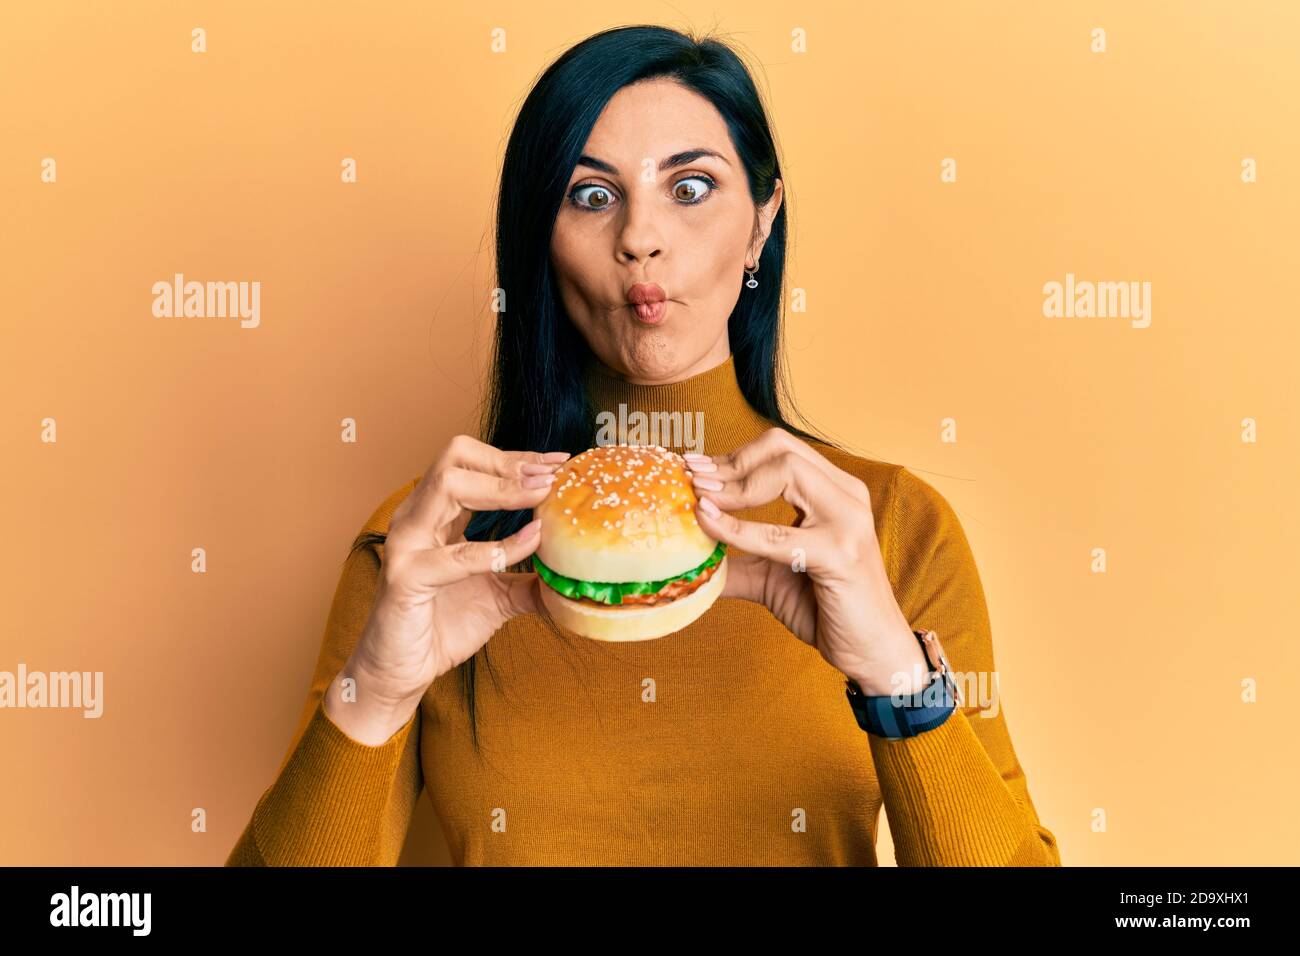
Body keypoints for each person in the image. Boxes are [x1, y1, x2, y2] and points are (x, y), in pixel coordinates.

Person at [226, 24, 1060, 867]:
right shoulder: (427, 549)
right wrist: (373, 695)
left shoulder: (888, 529)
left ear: (761, 224)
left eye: (691, 187)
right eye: (591, 196)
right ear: (539, 239)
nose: (640, 238)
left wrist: (897, 681)